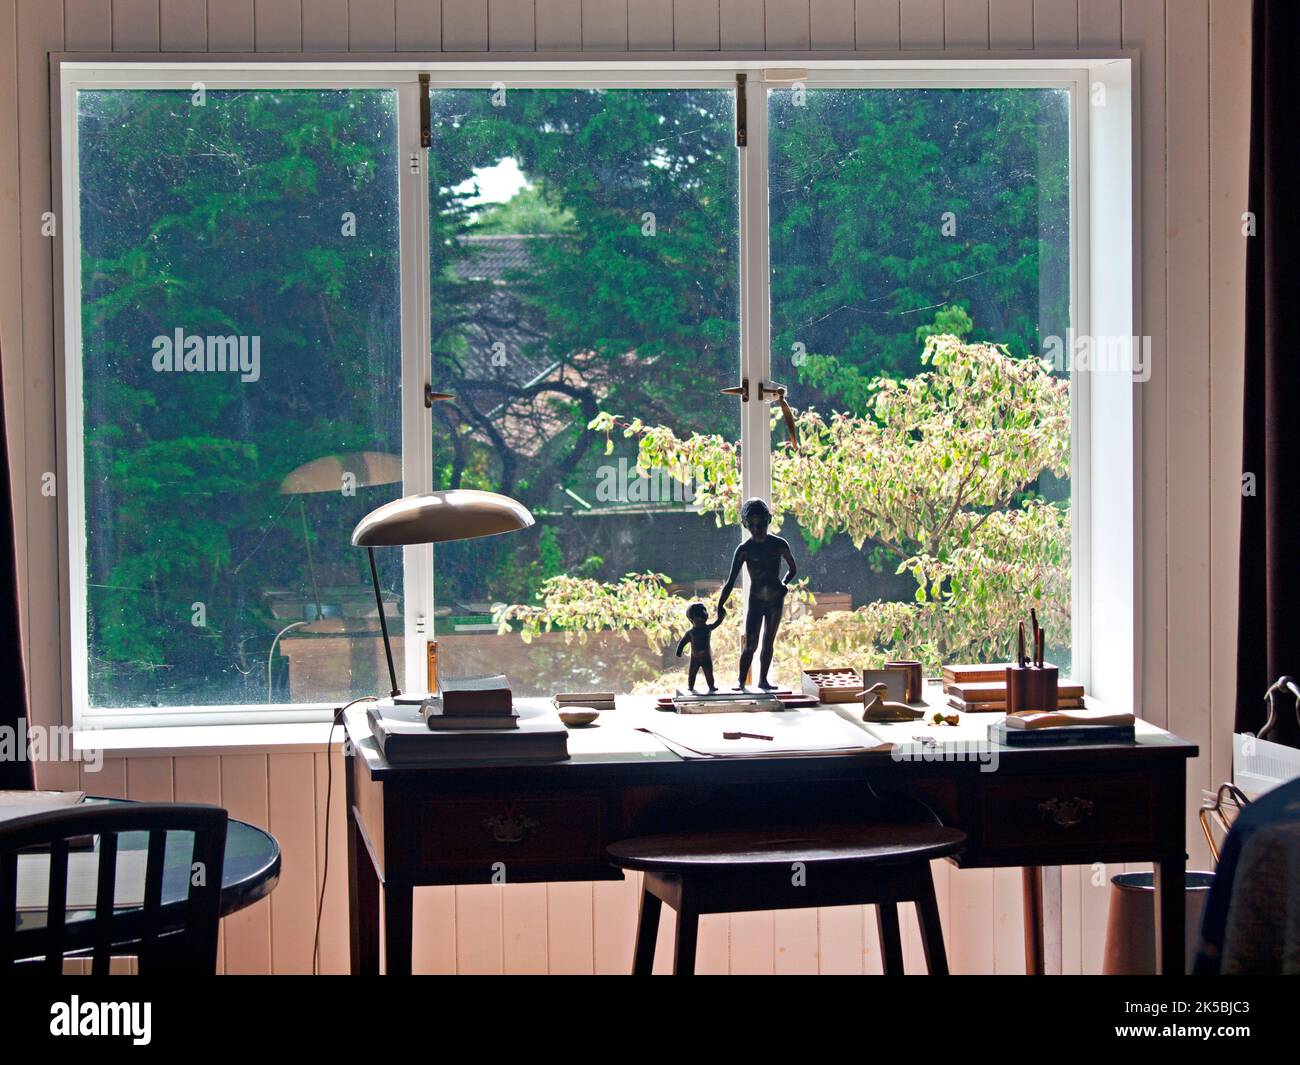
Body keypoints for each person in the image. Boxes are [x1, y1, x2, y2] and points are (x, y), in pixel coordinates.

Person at [717, 498, 797, 690]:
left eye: (761, 524)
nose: (757, 529)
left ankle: (763, 680)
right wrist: (720, 606)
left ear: (768, 520)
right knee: (751, 644)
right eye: (752, 525)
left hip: (775, 601)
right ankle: (741, 681)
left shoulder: (779, 544)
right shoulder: (745, 549)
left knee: (768, 641)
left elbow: (793, 569)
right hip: (755, 601)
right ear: (745, 525)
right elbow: (730, 581)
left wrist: (784, 583)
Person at [674, 602, 726, 692]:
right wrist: (678, 651)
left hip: (706, 657)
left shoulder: (707, 629)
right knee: (692, 673)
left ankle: (711, 686)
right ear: (691, 620)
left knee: (709, 673)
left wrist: (722, 616)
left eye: (702, 620)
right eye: (698, 620)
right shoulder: (691, 633)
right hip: (695, 657)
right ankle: (691, 687)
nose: (700, 622)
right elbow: (682, 642)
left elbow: (717, 622)